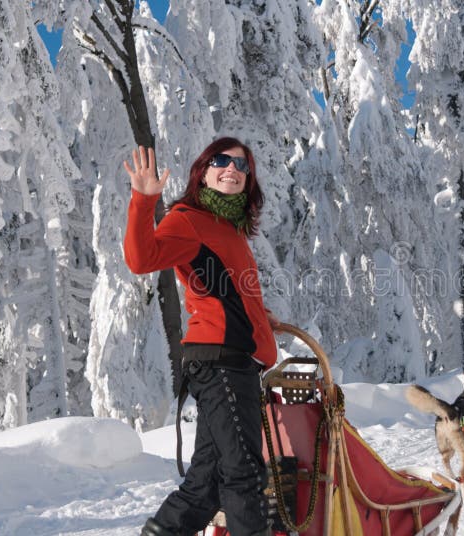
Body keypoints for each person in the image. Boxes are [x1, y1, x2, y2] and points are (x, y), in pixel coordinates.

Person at [123, 139, 279, 536]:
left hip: (232, 361)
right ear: (203, 171)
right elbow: (142, 259)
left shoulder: (228, 229)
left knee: (206, 484)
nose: (233, 169)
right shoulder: (188, 219)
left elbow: (229, 294)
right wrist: (144, 200)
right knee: (243, 470)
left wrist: (262, 321)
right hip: (220, 361)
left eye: (242, 165)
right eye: (222, 160)